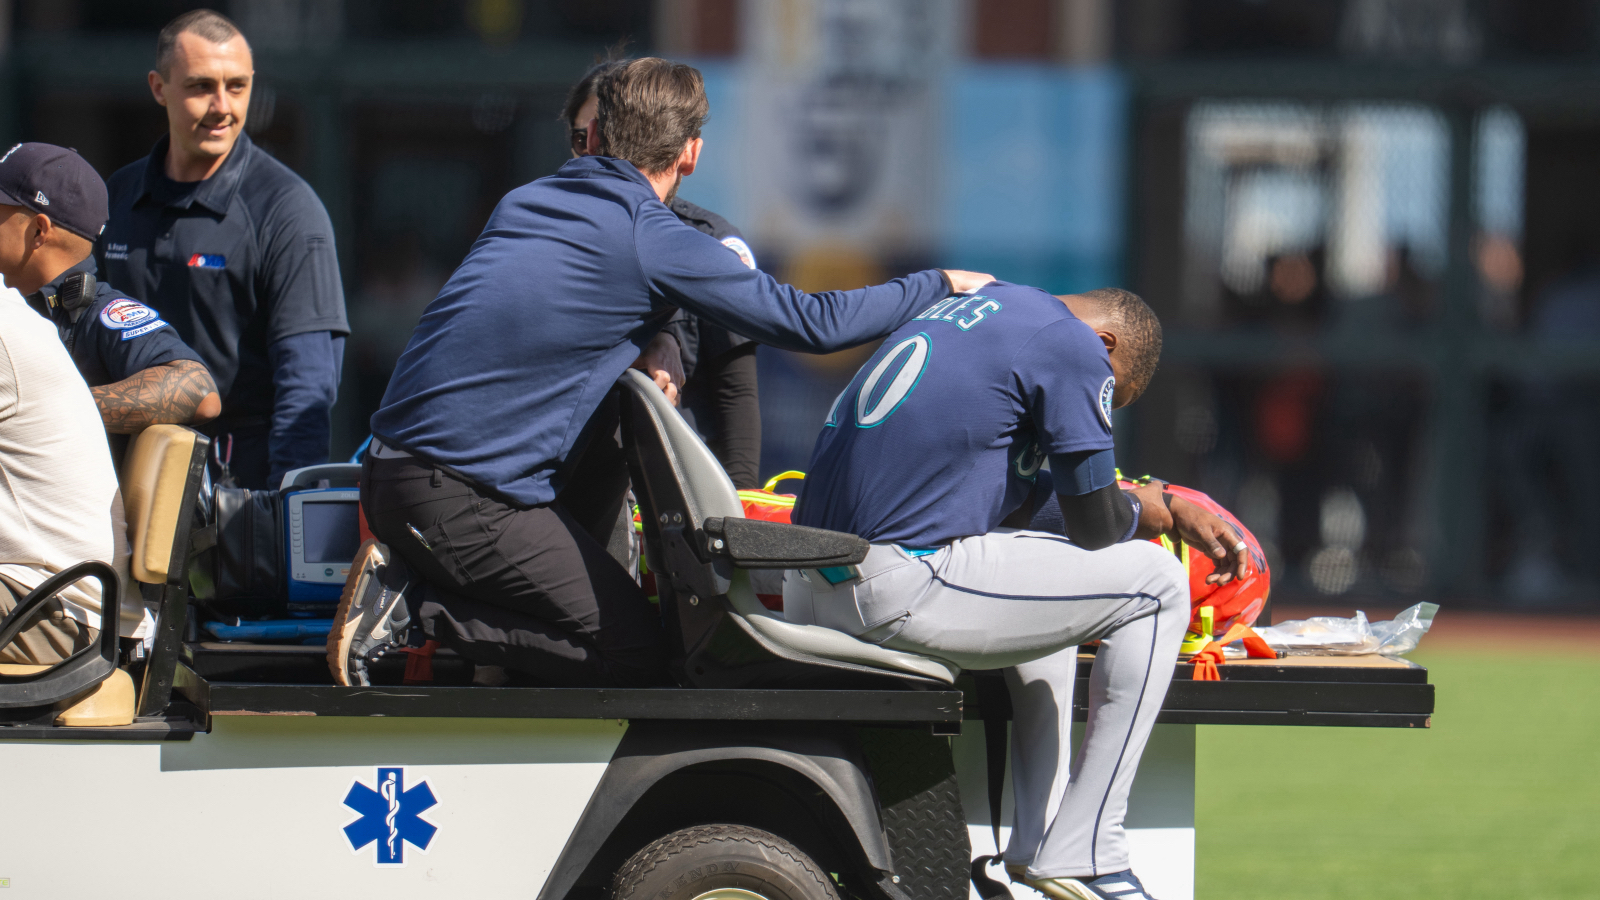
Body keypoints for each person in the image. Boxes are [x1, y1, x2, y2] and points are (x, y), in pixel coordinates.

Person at [327, 57, 992, 689]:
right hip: (461, 499)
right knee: (636, 654)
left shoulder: (528, 201)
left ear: (594, 136)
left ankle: (423, 604)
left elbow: (560, 301)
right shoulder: (651, 234)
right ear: (690, 153)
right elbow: (808, 323)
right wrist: (935, 284)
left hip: (390, 474)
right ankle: (416, 615)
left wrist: (659, 335)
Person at [786, 285, 1247, 900]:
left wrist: (1140, 506)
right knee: (1157, 582)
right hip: (891, 580)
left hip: (812, 579)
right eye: (1114, 391)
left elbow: (1015, 500)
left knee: (1055, 585)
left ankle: (1040, 845)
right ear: (1105, 343)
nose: (1102, 401)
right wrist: (1149, 509)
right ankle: (1092, 853)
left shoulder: (987, 310)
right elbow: (1096, 526)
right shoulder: (1072, 343)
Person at [98, 9, 348, 490]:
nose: (222, 106)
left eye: (237, 87)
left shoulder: (287, 210)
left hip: (237, 489)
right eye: (200, 87)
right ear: (158, 88)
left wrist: (283, 511)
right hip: (119, 478)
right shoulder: (118, 197)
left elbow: (307, 389)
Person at [563, 59, 763, 489]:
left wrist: (741, 507)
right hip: (572, 482)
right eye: (587, 139)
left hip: (674, 488)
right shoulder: (551, 232)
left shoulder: (709, 242)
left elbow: (737, 394)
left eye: (619, 137)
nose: (602, 153)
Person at [0, 143, 219, 448]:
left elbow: (199, 391)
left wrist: (46, 409)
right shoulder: (11, 305)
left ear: (39, 230)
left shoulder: (98, 312)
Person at [0, 210, 145, 664]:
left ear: (39, 229)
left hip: (53, 607)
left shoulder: (8, 326)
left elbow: (203, 392)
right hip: (40, 592)